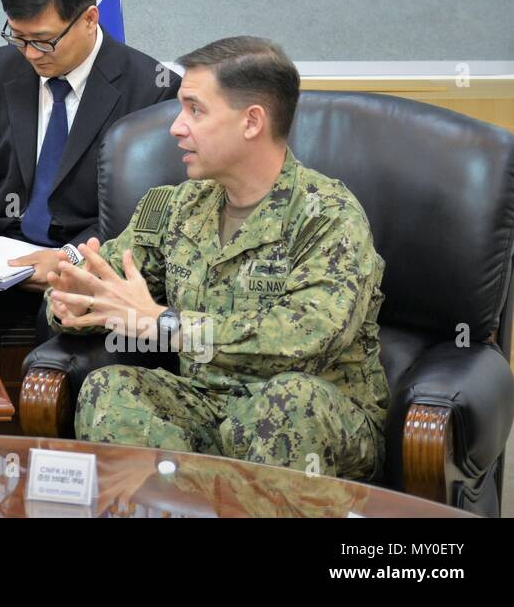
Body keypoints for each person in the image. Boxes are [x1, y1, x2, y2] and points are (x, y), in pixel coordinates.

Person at [46, 36, 388, 480]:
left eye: (195, 110)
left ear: (251, 122)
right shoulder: (174, 207)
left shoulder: (327, 215)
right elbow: (102, 281)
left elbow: (310, 338)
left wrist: (166, 325)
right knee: (109, 388)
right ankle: (180, 507)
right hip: (206, 403)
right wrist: (73, 301)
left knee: (289, 401)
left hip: (316, 413)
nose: (175, 127)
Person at [0, 0, 180, 348]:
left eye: (44, 41)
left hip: (91, 260)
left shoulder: (151, 89)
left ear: (89, 19)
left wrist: (71, 256)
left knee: (61, 316)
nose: (30, 54)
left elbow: (144, 213)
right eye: (18, 37)